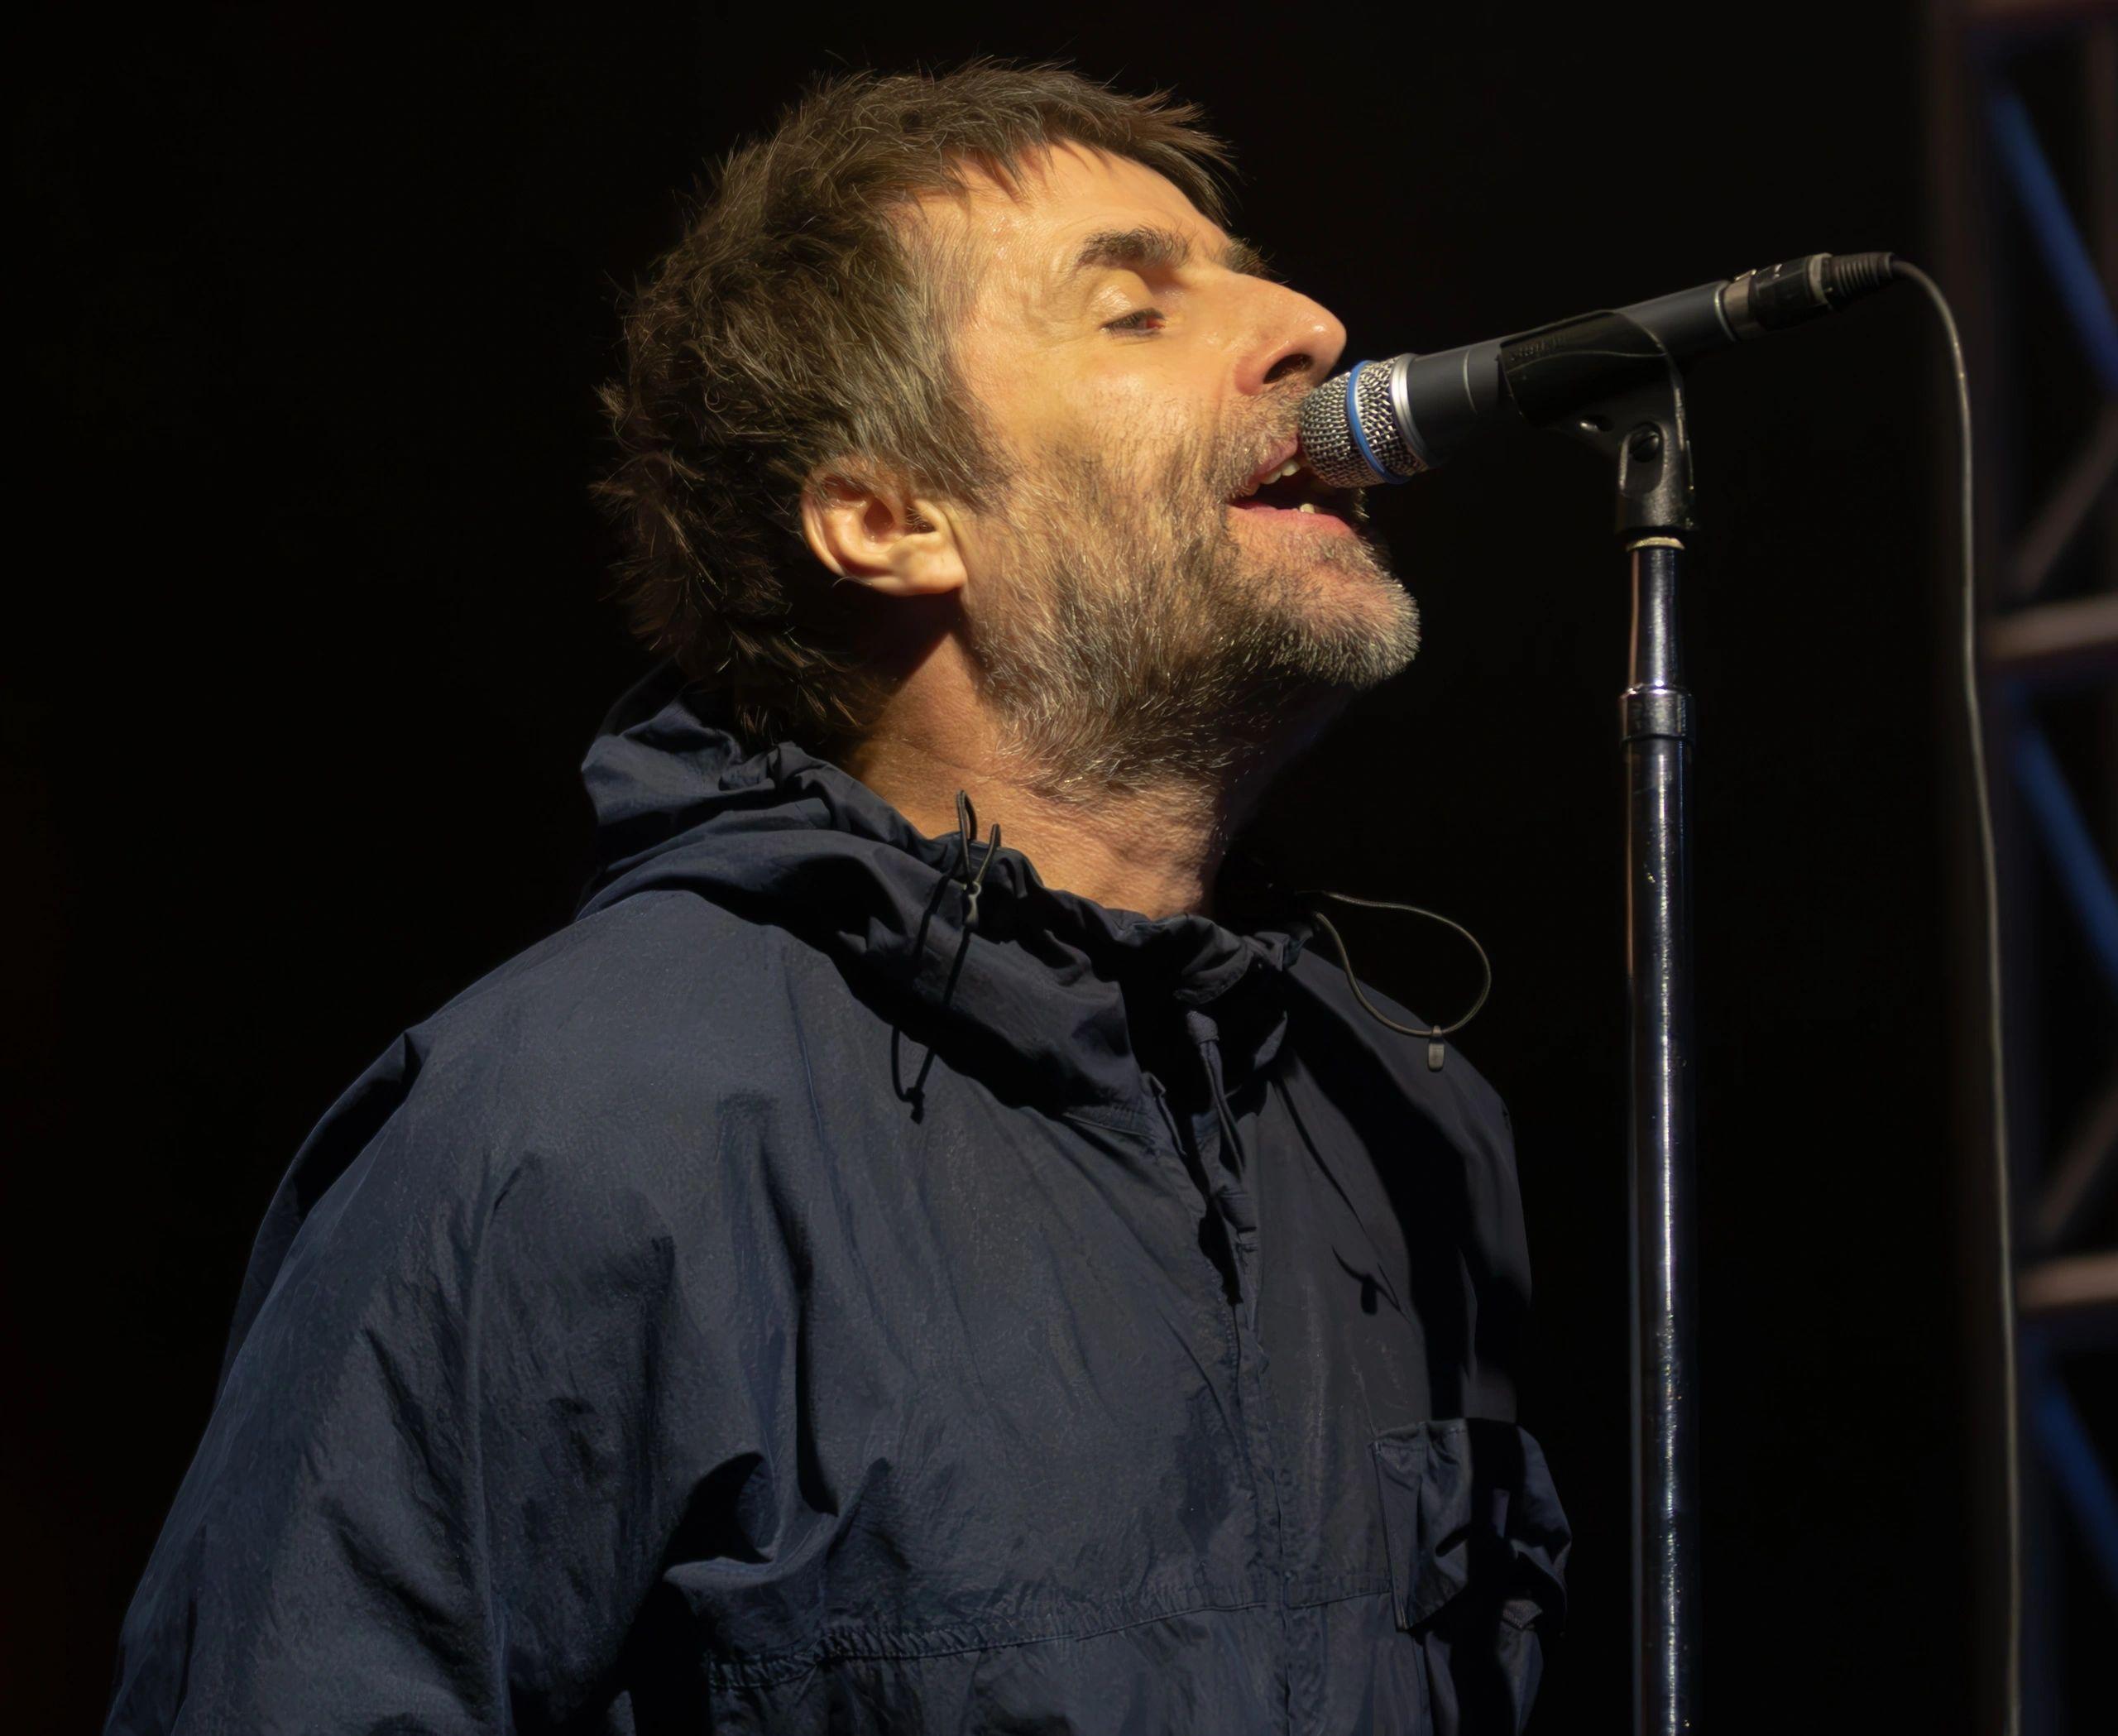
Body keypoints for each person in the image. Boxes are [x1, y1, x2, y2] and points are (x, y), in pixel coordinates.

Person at [107, 60, 1569, 1736]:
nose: (1310, 323)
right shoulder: (571, 1126)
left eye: (1249, 270)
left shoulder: (1401, 1120)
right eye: (1128, 312)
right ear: (886, 517)